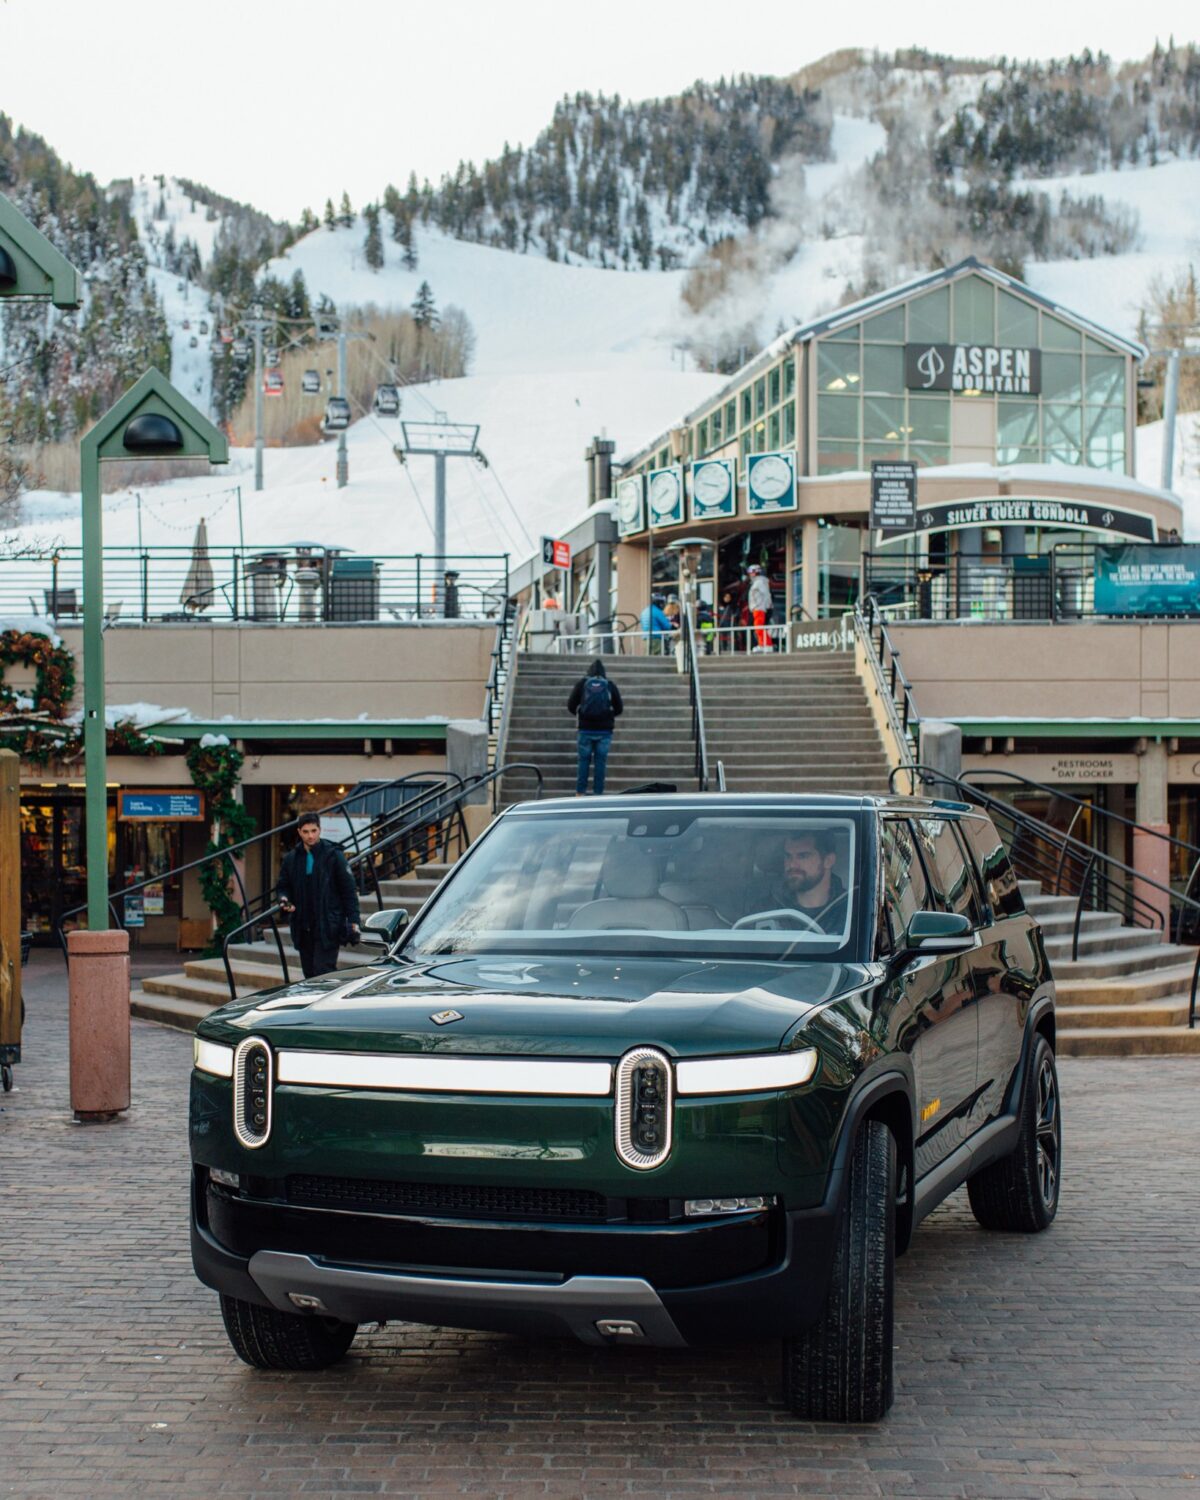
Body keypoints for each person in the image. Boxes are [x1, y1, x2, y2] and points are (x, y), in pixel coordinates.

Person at [276, 811, 361, 978]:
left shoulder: (333, 855)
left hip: (328, 926)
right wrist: (284, 899)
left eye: (314, 831)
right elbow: (283, 886)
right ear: (299, 832)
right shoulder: (292, 859)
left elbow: (349, 891)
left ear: (320, 830)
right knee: (309, 976)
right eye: (306, 832)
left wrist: (354, 921)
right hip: (302, 926)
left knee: (323, 974)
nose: (310, 836)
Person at [767, 828, 849, 934]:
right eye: (788, 856)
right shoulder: (767, 910)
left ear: (828, 861)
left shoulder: (850, 911)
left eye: (803, 856)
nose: (792, 864)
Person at [567, 659, 623, 795]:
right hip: (604, 731)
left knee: (584, 761)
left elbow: (570, 705)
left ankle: (580, 792)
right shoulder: (609, 685)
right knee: (600, 763)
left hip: (585, 729)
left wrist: (581, 714)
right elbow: (619, 708)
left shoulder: (582, 684)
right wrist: (608, 716)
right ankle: (598, 793)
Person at [747, 565, 773, 652]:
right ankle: (762, 644)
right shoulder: (757, 582)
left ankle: (768, 644)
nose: (750, 575)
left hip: (759, 608)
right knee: (758, 628)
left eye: (751, 572)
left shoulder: (760, 582)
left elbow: (766, 595)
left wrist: (764, 605)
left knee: (759, 627)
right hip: (757, 608)